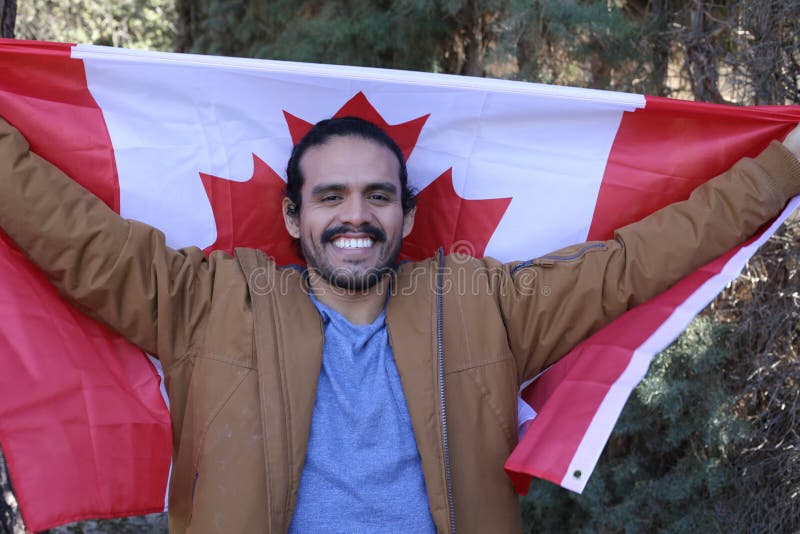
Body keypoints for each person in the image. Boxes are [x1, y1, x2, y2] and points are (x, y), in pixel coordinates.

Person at [0, 114, 799, 534]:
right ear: (293, 217)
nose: (356, 216)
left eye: (377, 197)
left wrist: (788, 162)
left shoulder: (484, 304)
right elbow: (70, 234)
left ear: (407, 215)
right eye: (331, 197)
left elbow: (639, 259)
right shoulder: (209, 303)